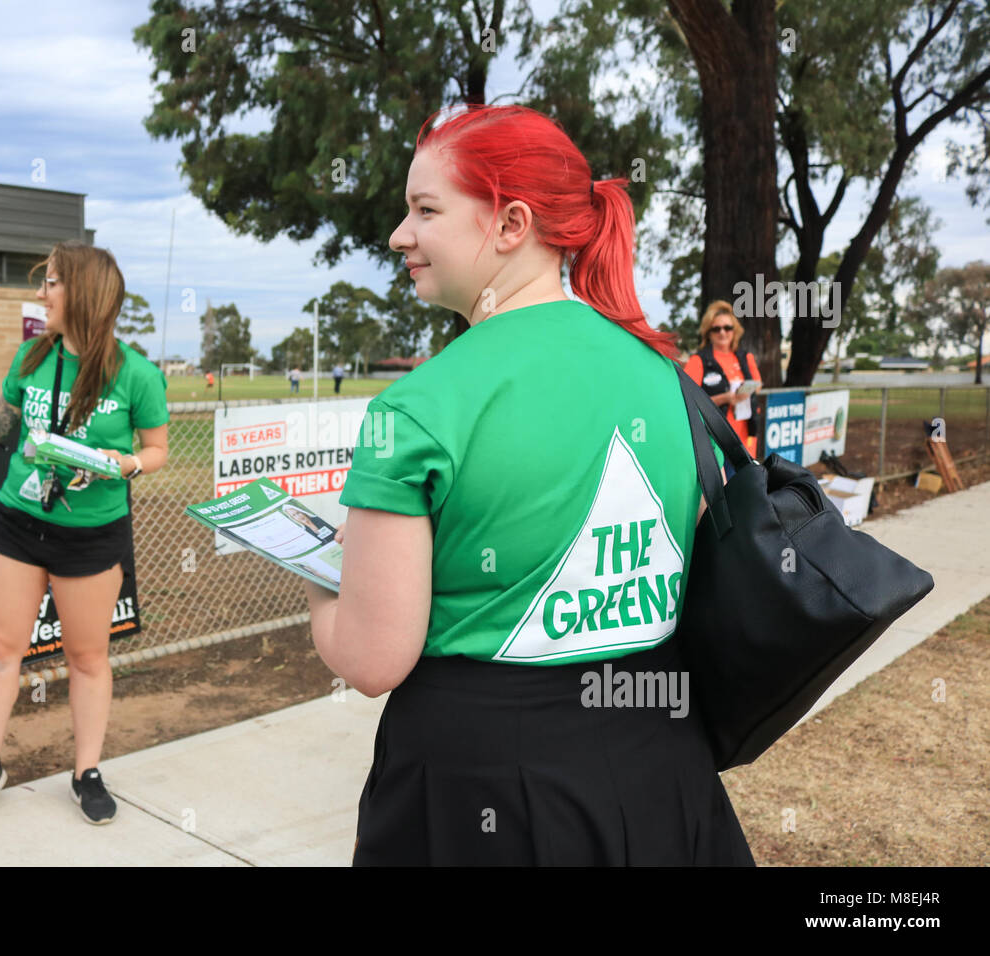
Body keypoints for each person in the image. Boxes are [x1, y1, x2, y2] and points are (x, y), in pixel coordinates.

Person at [302, 104, 753, 866]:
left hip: (483, 789)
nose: (398, 236)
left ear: (511, 225)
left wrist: (315, 569)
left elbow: (372, 660)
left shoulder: (417, 407)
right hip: (658, 760)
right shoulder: (666, 378)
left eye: (425, 210)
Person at [0, 240, 169, 827]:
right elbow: (2, 425)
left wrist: (120, 463)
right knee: (0, 652)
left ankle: (86, 771)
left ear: (83, 293)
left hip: (92, 535)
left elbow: (156, 452)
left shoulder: (138, 374)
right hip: (16, 525)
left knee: (87, 657)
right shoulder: (30, 356)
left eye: (51, 282)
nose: (42, 292)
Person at [684, 301, 762, 479]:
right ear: (708, 332)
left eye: (727, 327)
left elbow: (757, 384)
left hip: (745, 439)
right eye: (716, 329)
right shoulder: (699, 360)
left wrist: (746, 391)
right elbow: (689, 401)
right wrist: (725, 398)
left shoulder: (745, 357)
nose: (722, 333)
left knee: (748, 489)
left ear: (735, 331)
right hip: (717, 443)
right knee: (728, 496)